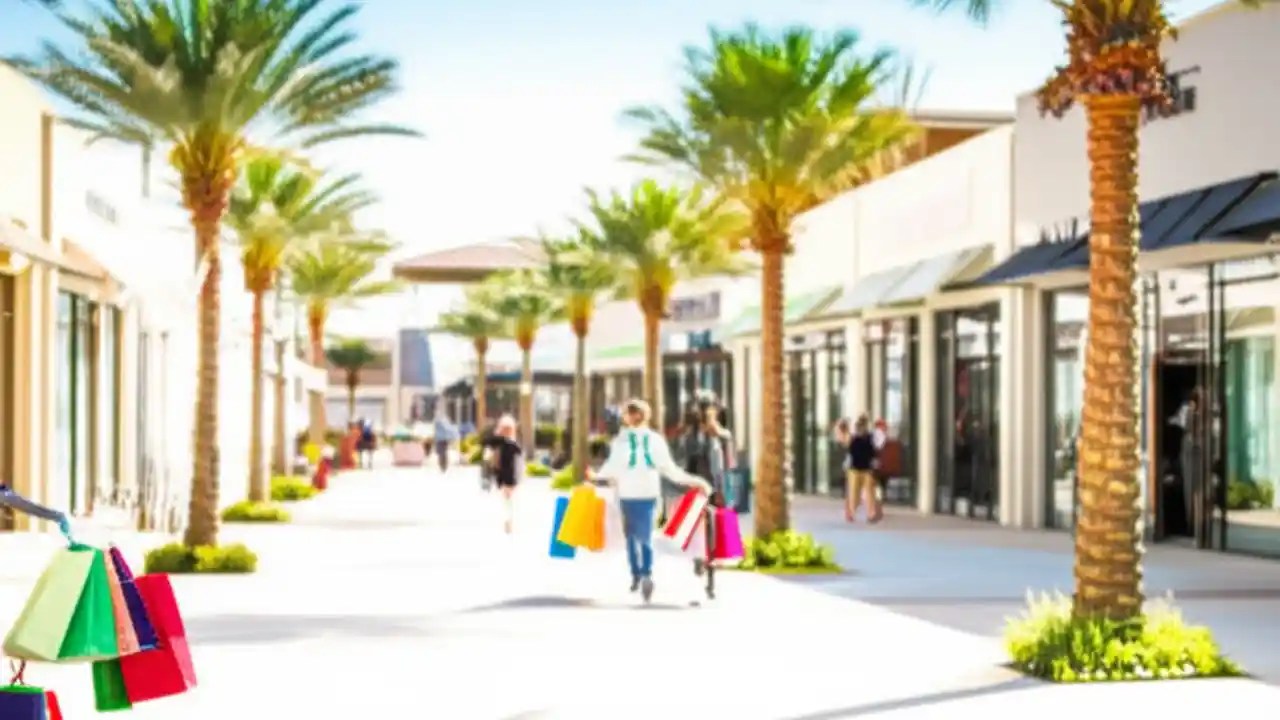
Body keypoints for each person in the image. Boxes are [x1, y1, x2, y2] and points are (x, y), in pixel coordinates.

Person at [592, 399, 712, 604]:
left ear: (635, 417)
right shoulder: (649, 440)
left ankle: (639, 574)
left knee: (633, 536)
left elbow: (613, 468)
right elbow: (669, 469)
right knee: (641, 536)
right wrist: (695, 481)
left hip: (633, 494)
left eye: (630, 414)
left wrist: (595, 477)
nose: (628, 418)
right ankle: (643, 573)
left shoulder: (626, 441)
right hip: (642, 493)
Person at [679, 397, 735, 597]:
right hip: (698, 488)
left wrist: (717, 432)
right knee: (698, 531)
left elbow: (728, 463)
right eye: (709, 411)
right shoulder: (691, 437)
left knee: (712, 534)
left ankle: (710, 578)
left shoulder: (722, 436)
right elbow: (688, 464)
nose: (712, 415)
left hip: (716, 490)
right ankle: (699, 560)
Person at [834, 415, 880, 523]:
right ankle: (856, 513)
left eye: (863, 426)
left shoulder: (867, 437)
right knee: (860, 493)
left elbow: (874, 451)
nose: (862, 428)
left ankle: (868, 514)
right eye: (860, 426)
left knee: (863, 493)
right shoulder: (860, 438)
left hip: (861, 469)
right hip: (859, 469)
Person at [483, 415, 523, 534]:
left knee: (507, 499)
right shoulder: (500, 443)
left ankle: (508, 521)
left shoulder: (511, 445)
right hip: (501, 476)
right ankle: (507, 521)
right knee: (506, 499)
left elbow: (519, 464)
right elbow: (487, 457)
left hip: (508, 476)